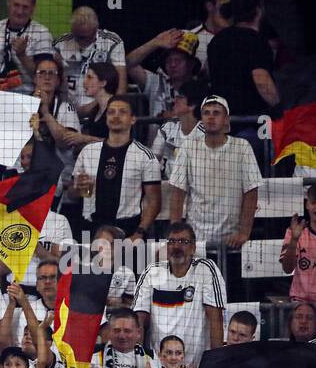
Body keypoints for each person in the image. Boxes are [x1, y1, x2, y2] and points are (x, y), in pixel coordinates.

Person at [168, 96, 261, 248]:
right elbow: (177, 193)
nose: (211, 116)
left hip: (232, 241)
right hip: (195, 240)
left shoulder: (242, 147)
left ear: (226, 119)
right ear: (201, 118)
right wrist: (177, 236)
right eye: (206, 113)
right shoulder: (188, 147)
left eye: (216, 113)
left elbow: (251, 193)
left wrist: (244, 233)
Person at [131, 221, 224, 368]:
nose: (176, 246)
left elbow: (216, 319)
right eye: (172, 241)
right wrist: (137, 363)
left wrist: (215, 367)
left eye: (183, 242)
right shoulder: (151, 272)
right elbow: (138, 320)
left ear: (193, 248)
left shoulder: (206, 270)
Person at [72, 95, 161, 237]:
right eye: (111, 112)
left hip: (127, 230)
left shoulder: (145, 157)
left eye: (122, 112)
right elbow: (73, 194)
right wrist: (78, 189)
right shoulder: (88, 152)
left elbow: (154, 202)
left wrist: (139, 233)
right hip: (90, 228)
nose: (116, 116)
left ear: (133, 119)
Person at [205, 0, 279, 118]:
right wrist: (279, 108)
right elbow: (261, 80)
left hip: (220, 121)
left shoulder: (217, 40)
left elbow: (209, 74)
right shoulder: (257, 41)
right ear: (259, 10)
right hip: (248, 121)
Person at [54, 6, 127, 105]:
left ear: (96, 28)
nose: (81, 41)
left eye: (85, 37)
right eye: (78, 36)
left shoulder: (112, 42)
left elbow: (121, 85)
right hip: (67, 106)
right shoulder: (59, 44)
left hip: (100, 105)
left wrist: (112, 106)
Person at [279, 184, 316, 304]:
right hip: (300, 302)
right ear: (307, 205)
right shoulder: (294, 231)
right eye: (314, 202)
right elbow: (287, 269)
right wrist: (294, 239)